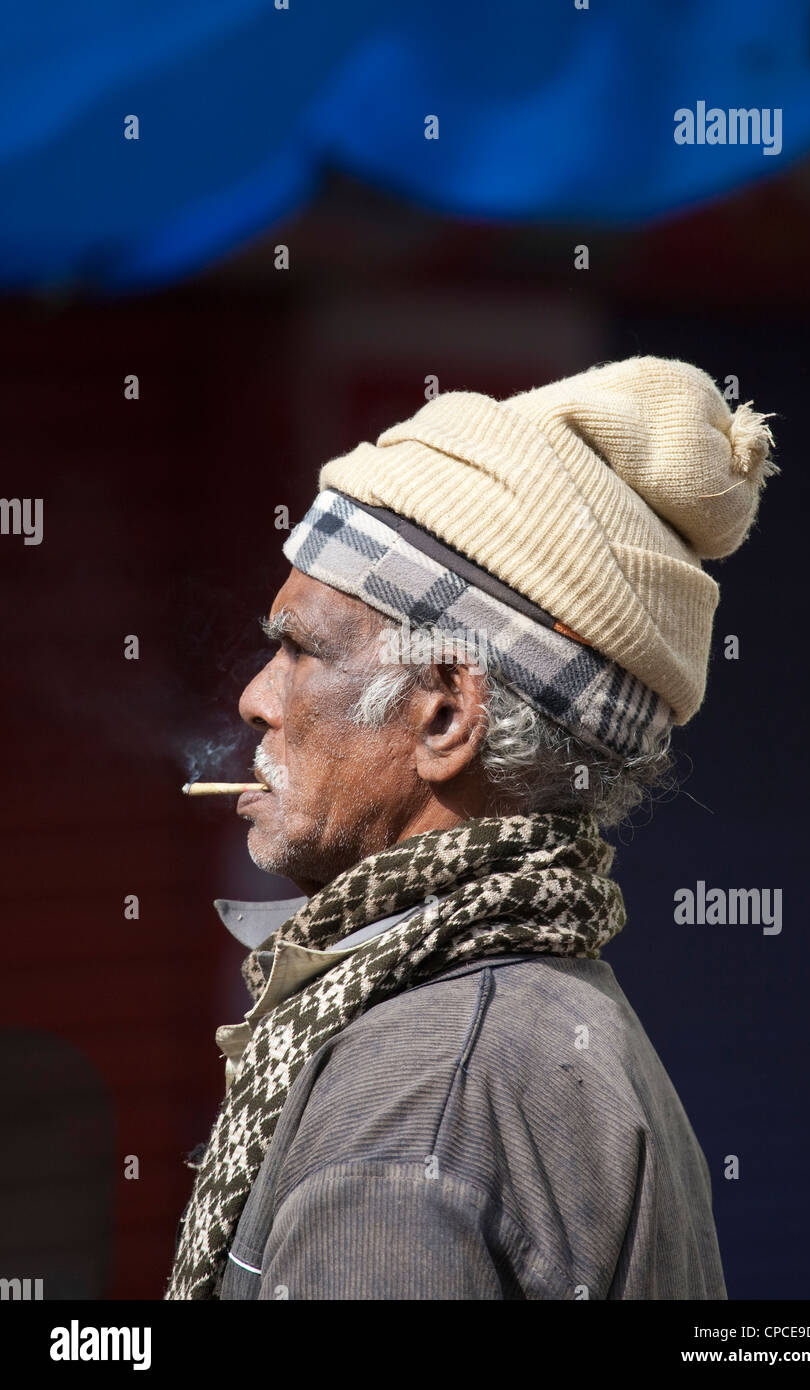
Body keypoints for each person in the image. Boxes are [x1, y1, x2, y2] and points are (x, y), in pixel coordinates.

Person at [166, 355, 778, 1300]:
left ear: (446, 717)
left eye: (299, 650)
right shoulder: (564, 1010)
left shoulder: (409, 1114)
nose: (254, 699)